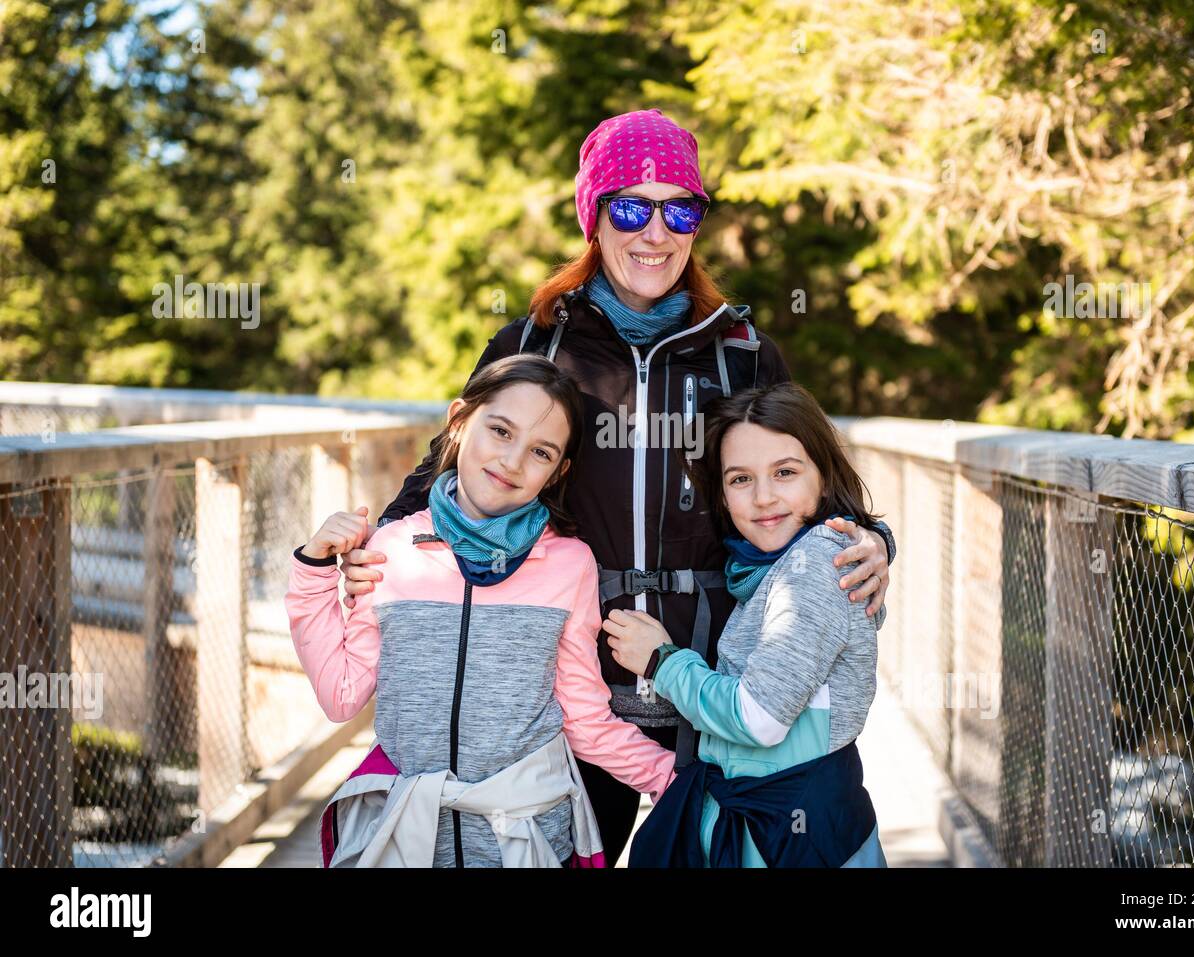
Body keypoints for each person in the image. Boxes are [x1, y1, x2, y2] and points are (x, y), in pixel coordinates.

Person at [337, 108, 897, 863]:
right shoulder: (537, 342)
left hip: (711, 679)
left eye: (680, 209)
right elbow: (453, 465)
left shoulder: (738, 354)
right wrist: (364, 547)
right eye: (631, 207)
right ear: (594, 217)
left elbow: (809, 484)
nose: (655, 232)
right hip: (564, 690)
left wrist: (873, 540)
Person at [284, 354, 677, 867]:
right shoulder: (392, 549)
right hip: (406, 840)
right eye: (499, 430)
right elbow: (340, 696)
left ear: (559, 471)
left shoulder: (569, 564)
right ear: (459, 422)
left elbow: (584, 720)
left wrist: (679, 780)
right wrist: (312, 572)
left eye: (540, 452)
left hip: (526, 843)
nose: (512, 462)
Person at [607, 382, 888, 867]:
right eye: (740, 479)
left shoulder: (815, 565)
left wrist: (662, 661)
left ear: (824, 476)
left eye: (785, 472)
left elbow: (760, 717)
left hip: (792, 841)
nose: (763, 498)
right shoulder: (770, 565)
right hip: (778, 831)